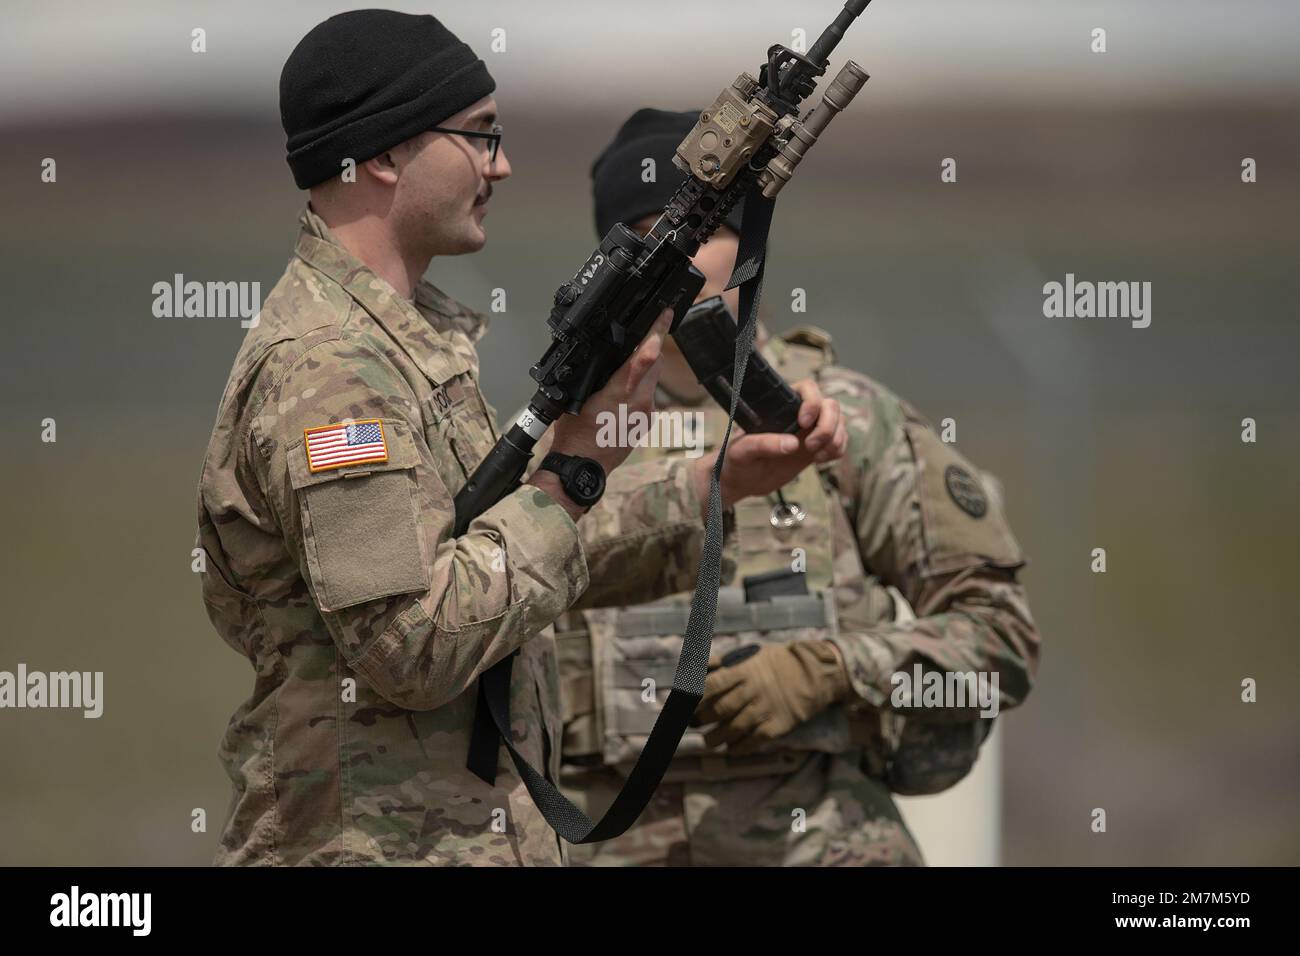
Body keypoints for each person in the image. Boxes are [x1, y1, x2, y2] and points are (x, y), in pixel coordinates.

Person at [195, 14, 845, 866]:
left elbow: (493, 572)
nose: (500, 163)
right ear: (383, 156)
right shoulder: (333, 371)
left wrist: (706, 490)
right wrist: (573, 469)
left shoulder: (399, 343)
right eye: (478, 136)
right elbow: (415, 645)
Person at [555, 109, 1042, 866]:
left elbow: (1001, 642)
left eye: (701, 233)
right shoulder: (564, 441)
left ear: (751, 243)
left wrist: (831, 672)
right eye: (648, 237)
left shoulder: (846, 422)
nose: (675, 261)